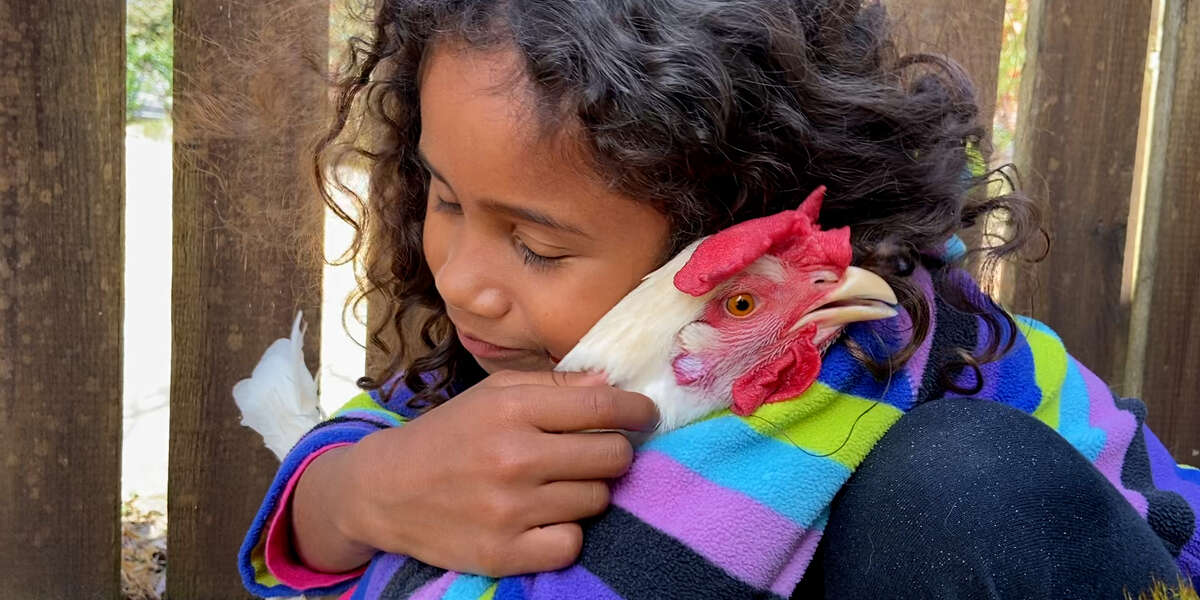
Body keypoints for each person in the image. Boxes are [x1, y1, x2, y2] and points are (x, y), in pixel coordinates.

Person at [238, 1, 1197, 598]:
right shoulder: (502, 367)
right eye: (443, 197)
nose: (461, 276)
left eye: (535, 245)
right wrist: (359, 494)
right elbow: (349, 463)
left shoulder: (905, 351)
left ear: (722, 244)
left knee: (960, 480)